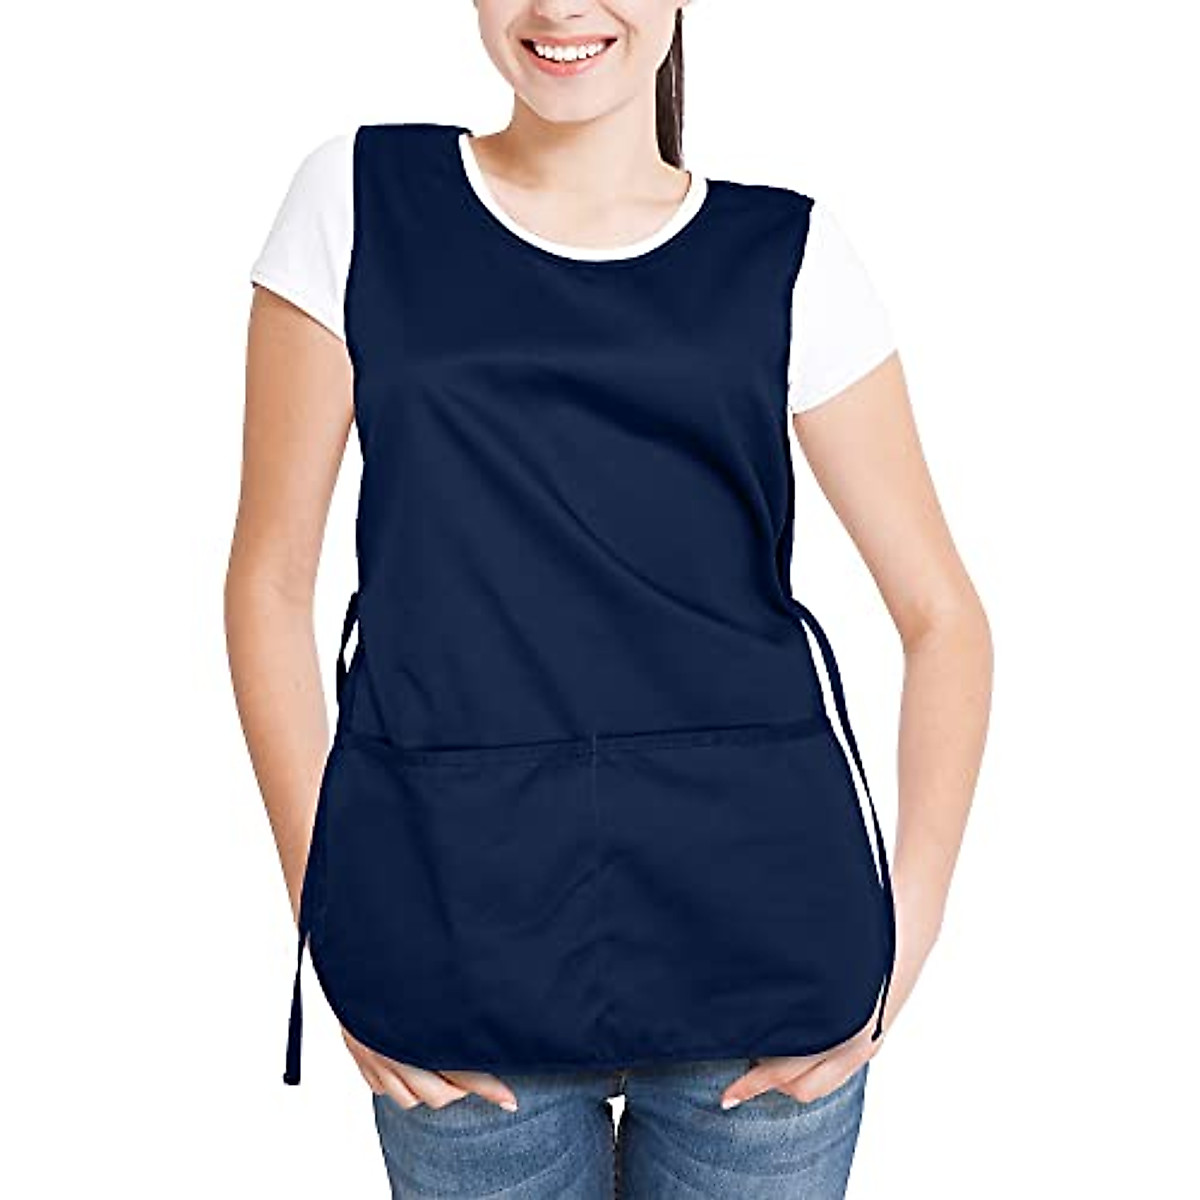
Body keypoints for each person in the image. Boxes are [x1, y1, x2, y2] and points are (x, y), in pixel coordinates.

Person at [227, 1, 993, 1195]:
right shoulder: (357, 203)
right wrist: (333, 918)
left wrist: (908, 937)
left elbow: (941, 615)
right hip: (452, 943)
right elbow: (271, 579)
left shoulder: (787, 252)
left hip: (766, 949)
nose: (562, 7)